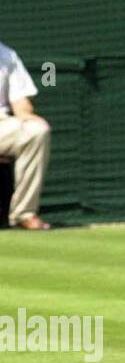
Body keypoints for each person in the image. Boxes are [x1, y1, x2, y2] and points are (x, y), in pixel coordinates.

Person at [0, 39, 52, 231]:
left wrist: (27, 115)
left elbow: (21, 104)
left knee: (36, 131)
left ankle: (24, 213)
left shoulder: (6, 55)